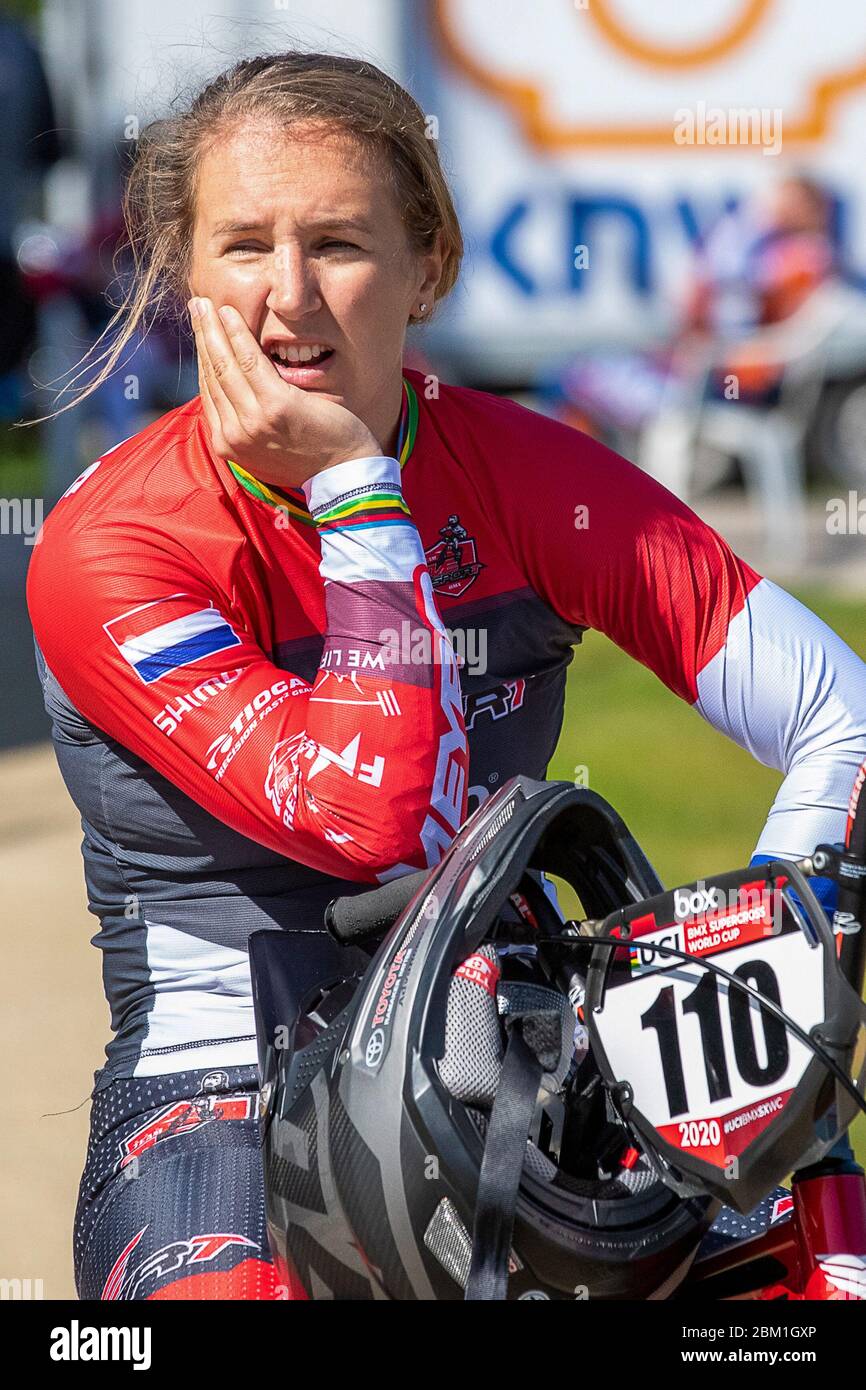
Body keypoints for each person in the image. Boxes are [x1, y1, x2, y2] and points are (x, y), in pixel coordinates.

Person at [26, 53, 866, 1302]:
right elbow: (376, 825)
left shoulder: (534, 475)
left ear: (429, 267)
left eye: (340, 245)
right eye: (244, 246)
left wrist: (747, 963)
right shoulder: (114, 542)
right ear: (180, 278)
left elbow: (835, 711)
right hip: (219, 1092)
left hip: (521, 1033)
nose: (287, 300)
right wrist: (359, 492)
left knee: (823, 1259)